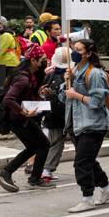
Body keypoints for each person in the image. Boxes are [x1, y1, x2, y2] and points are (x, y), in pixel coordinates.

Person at [63, 37, 109, 213]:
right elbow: (65, 98)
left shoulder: (95, 74)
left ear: (89, 53)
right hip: (77, 123)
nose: (74, 53)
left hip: (93, 125)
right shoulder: (74, 71)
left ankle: (87, 198)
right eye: (74, 49)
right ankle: (107, 190)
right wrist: (66, 82)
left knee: (81, 163)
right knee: (89, 160)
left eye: (78, 50)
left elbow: (97, 102)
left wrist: (76, 95)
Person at [0, 44, 51, 192]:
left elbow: (26, 95)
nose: (46, 61)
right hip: (18, 119)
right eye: (42, 59)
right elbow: (8, 99)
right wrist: (24, 112)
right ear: (33, 61)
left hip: (16, 119)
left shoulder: (30, 75)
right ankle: (34, 179)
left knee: (33, 147)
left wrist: (40, 93)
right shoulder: (23, 78)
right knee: (44, 144)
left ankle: (7, 172)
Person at [38, 46, 70, 185]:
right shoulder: (62, 75)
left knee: (56, 143)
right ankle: (46, 170)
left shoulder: (53, 74)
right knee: (56, 144)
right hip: (59, 115)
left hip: (59, 114)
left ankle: (46, 169)